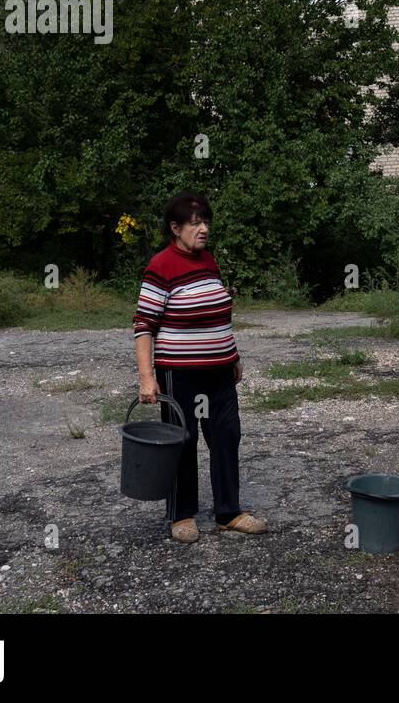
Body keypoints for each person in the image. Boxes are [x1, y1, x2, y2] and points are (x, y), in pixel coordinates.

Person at [132, 192, 267, 543]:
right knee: (183, 439)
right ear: (175, 228)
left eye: (206, 222)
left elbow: (218, 314)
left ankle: (228, 512)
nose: (204, 229)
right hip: (180, 373)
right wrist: (147, 378)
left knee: (226, 436)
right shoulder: (161, 265)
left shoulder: (208, 260)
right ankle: (181, 514)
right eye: (195, 223)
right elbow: (144, 324)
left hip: (219, 371)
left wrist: (232, 355)